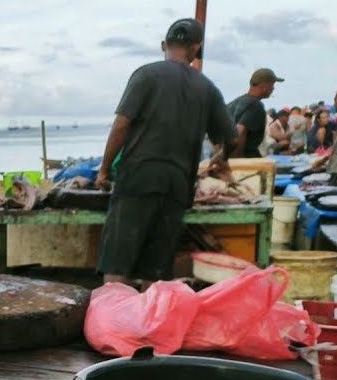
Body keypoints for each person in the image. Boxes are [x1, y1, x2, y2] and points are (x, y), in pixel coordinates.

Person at [95, 18, 238, 287]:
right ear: (196, 48)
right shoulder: (207, 88)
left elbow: (121, 125)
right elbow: (232, 137)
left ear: (164, 45)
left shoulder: (145, 75)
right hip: (177, 186)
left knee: (118, 261)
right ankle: (150, 326)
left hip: (138, 178)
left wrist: (104, 170)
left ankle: (114, 325)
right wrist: (222, 158)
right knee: (155, 270)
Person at [227, 67, 284, 158]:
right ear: (264, 85)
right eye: (272, 84)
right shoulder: (256, 105)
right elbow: (239, 132)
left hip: (227, 159)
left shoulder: (232, 103)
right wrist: (241, 162)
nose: (273, 88)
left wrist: (224, 157)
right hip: (247, 158)